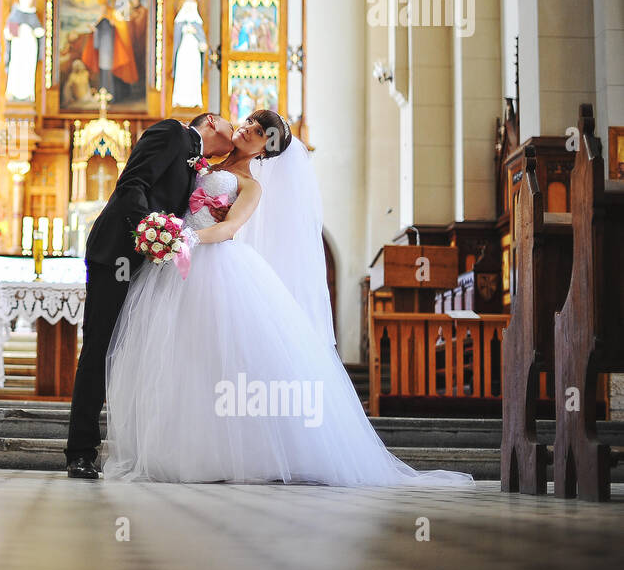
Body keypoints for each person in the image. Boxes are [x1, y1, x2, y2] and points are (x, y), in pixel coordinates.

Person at [102, 110, 475, 487]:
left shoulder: (250, 186)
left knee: (218, 359)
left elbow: (230, 228)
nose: (248, 129)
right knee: (175, 355)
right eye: (248, 122)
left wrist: (188, 238)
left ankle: (224, 453)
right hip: (172, 268)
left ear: (266, 150)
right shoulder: (199, 161)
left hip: (210, 262)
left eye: (260, 133)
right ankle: (173, 447)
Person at [64, 111, 236, 478]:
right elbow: (132, 185)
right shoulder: (173, 132)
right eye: (230, 126)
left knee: (137, 354)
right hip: (116, 254)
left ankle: (147, 448)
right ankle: (80, 451)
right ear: (211, 123)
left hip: (149, 265)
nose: (234, 132)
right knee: (99, 350)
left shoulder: (198, 161)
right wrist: (151, 227)